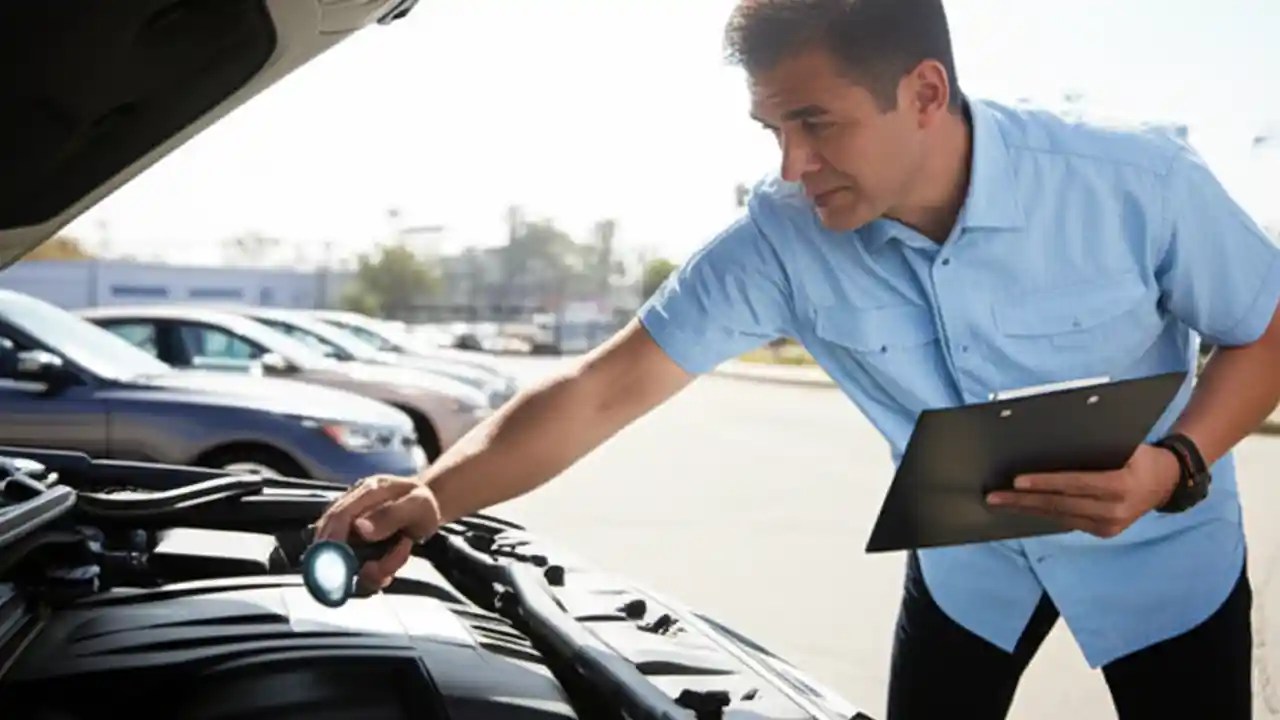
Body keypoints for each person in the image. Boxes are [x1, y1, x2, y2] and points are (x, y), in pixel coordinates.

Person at [315, 0, 1280, 717]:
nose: (790, 166)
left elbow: (1267, 327)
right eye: (773, 129)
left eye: (816, 123)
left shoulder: (1136, 183)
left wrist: (1174, 466)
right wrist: (436, 493)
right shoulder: (782, 239)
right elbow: (601, 389)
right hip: (968, 568)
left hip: (1166, 556)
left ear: (925, 93)